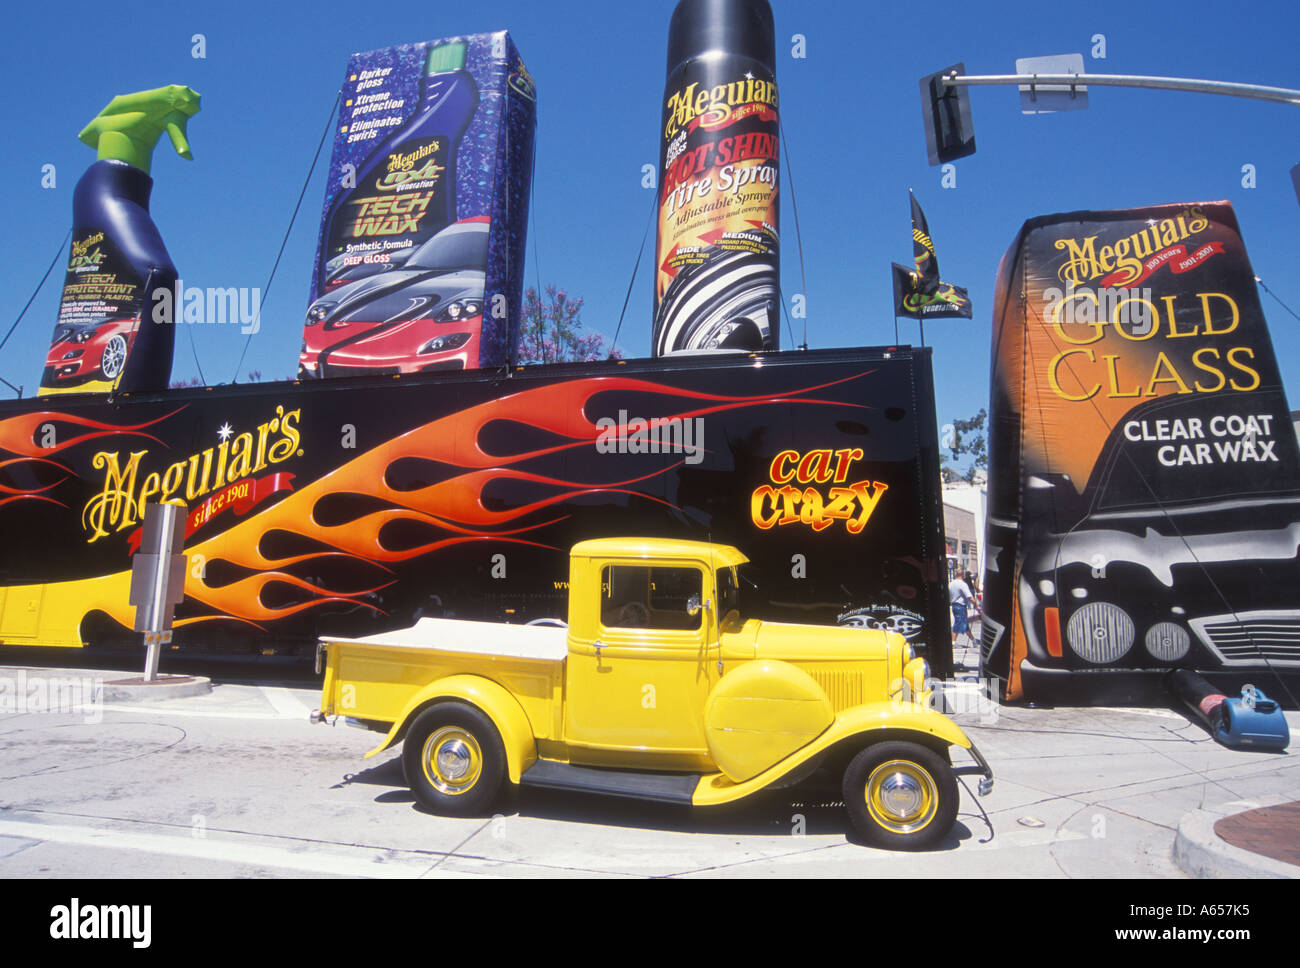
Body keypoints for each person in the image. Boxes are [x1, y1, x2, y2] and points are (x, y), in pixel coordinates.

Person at [950, 572, 977, 646]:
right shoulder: (962, 584)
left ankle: (973, 640)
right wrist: (977, 605)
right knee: (958, 623)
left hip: (954, 605)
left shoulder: (951, 584)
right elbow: (969, 597)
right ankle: (953, 642)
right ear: (963, 575)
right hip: (961, 606)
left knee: (964, 624)